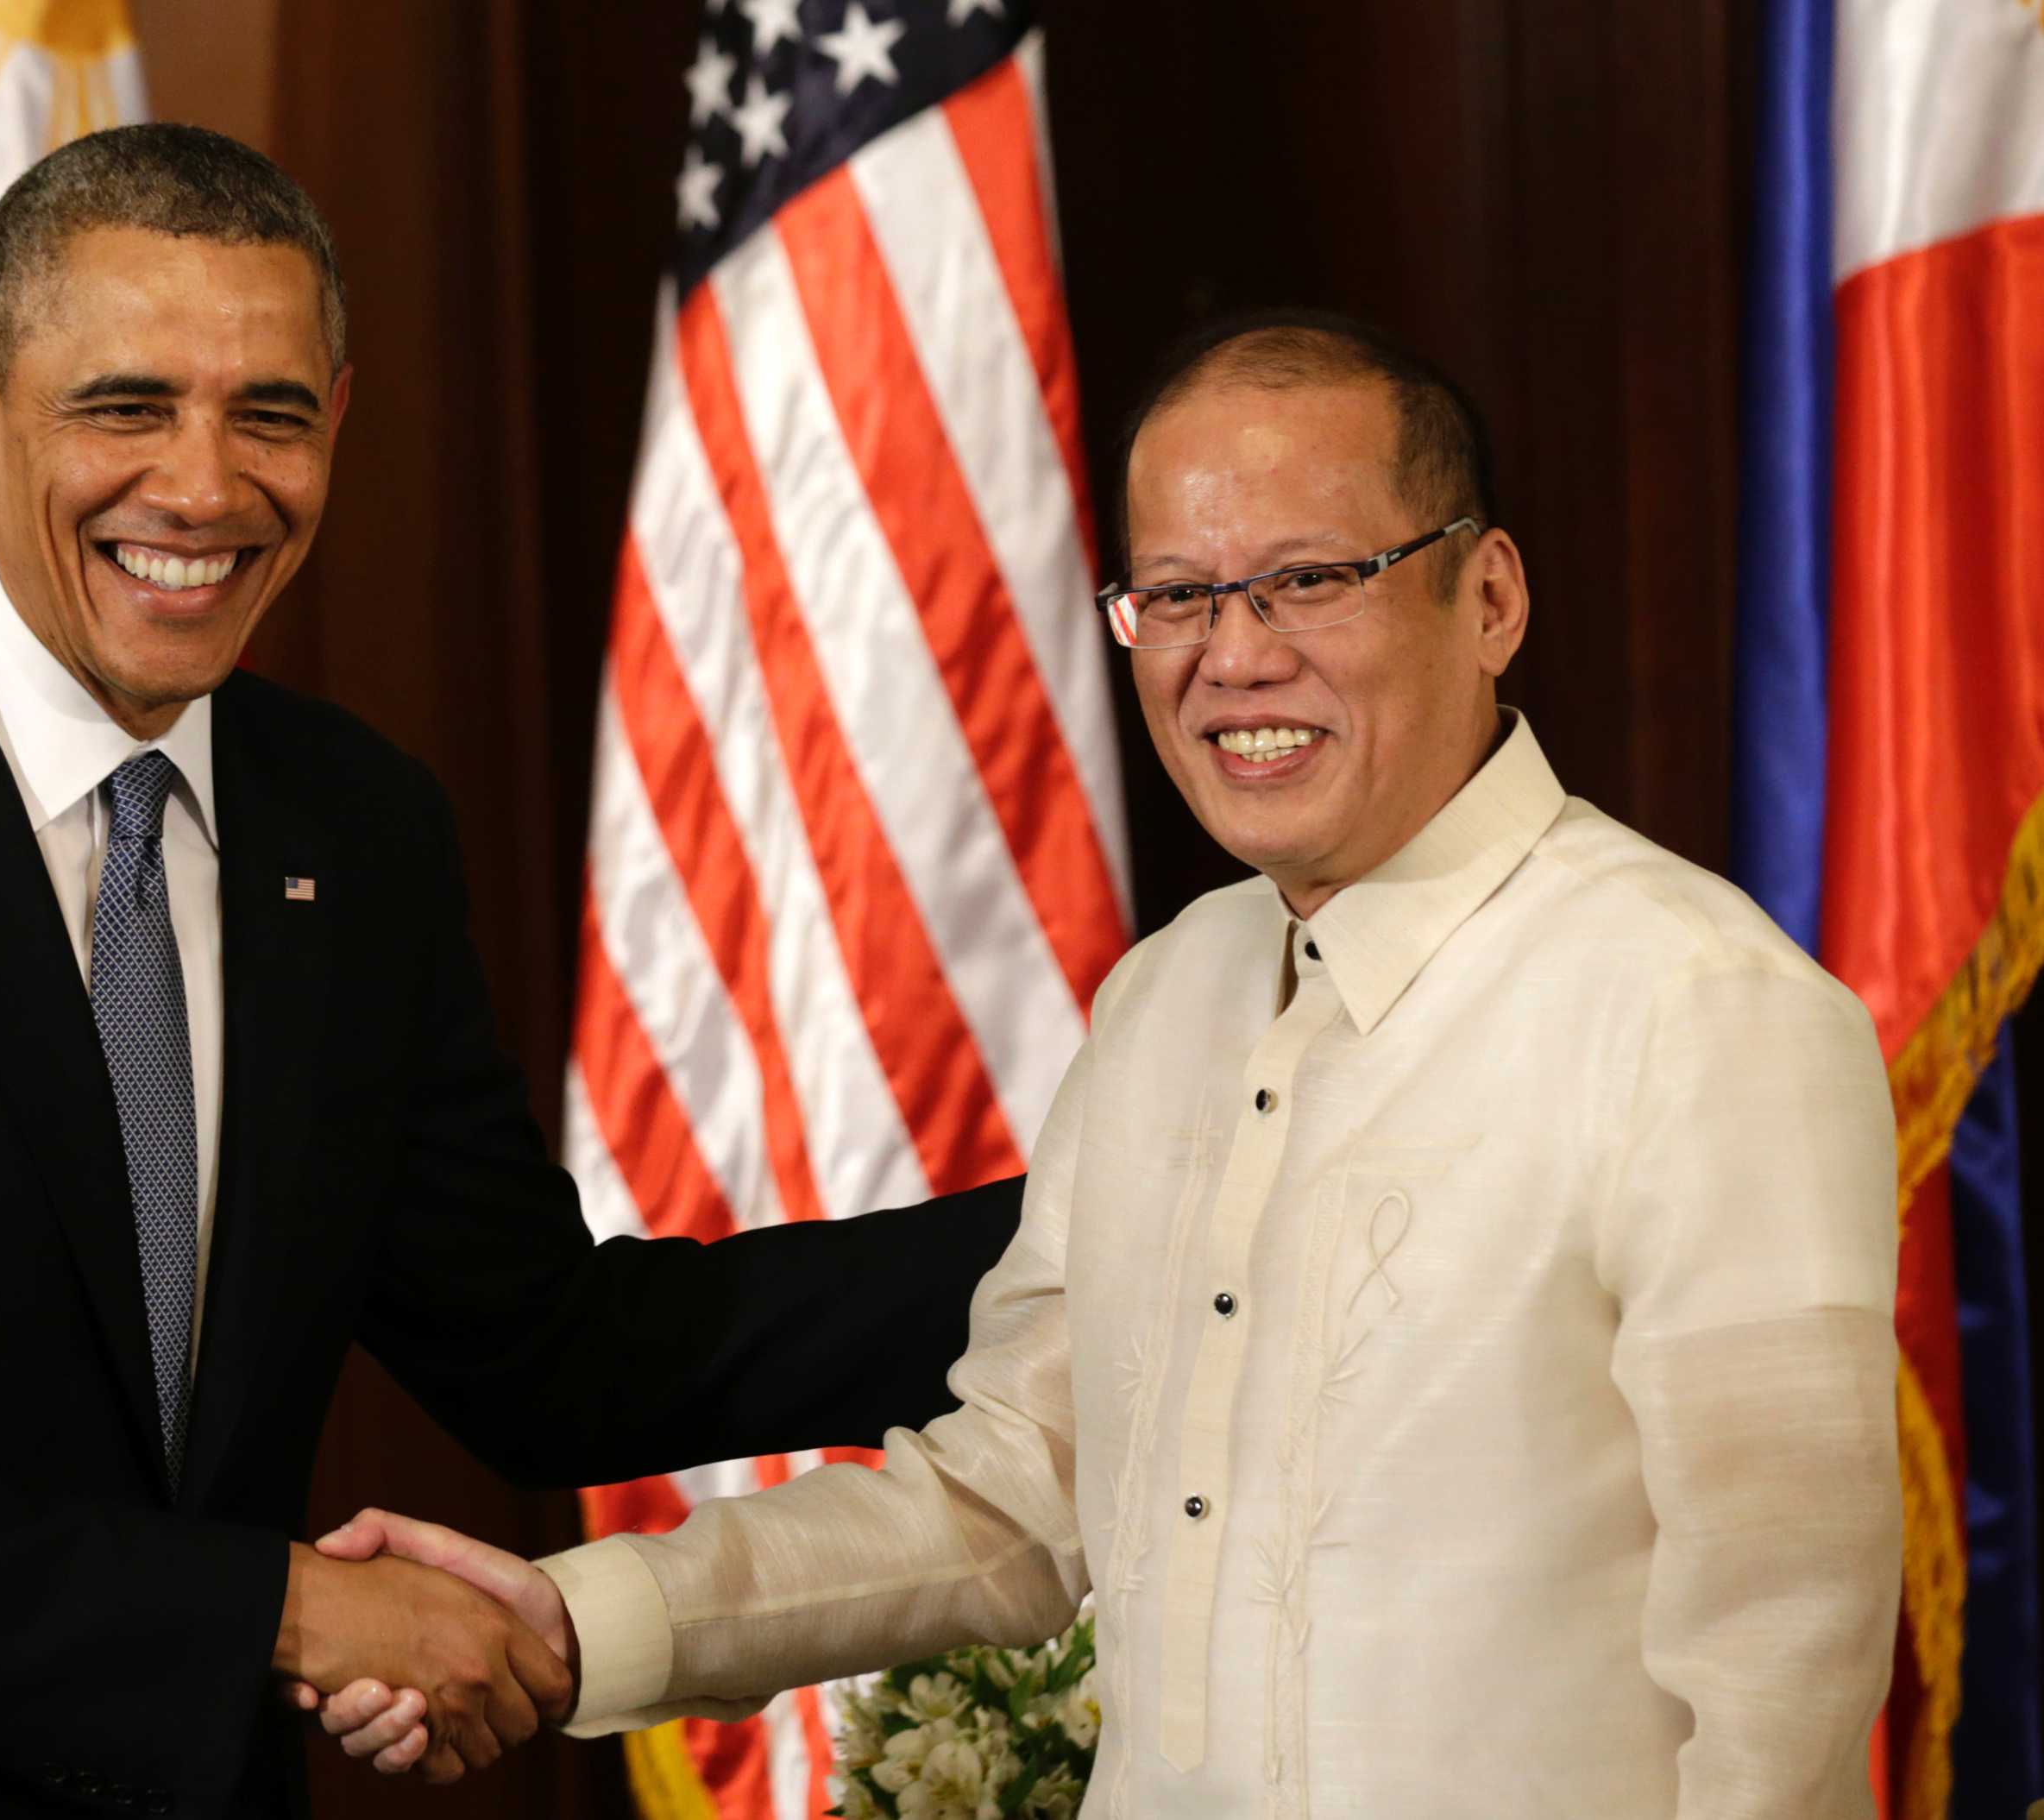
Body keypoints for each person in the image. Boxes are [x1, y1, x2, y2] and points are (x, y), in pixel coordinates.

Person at [0, 124, 1024, 1820]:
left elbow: (551, 1350)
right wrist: (283, 1609)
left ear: (338, 422)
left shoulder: (355, 827)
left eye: (269, 412)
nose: (206, 487)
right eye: (126, 405)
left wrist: (1094, 1235)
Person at [319, 312, 1905, 1817]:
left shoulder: (1704, 1009)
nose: (1233, 657)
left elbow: (1782, 1673)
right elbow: (1012, 1495)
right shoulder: (1168, 996)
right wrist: (573, 1618)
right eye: (1179, 595)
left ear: (1488, 597)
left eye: (1306, 579)